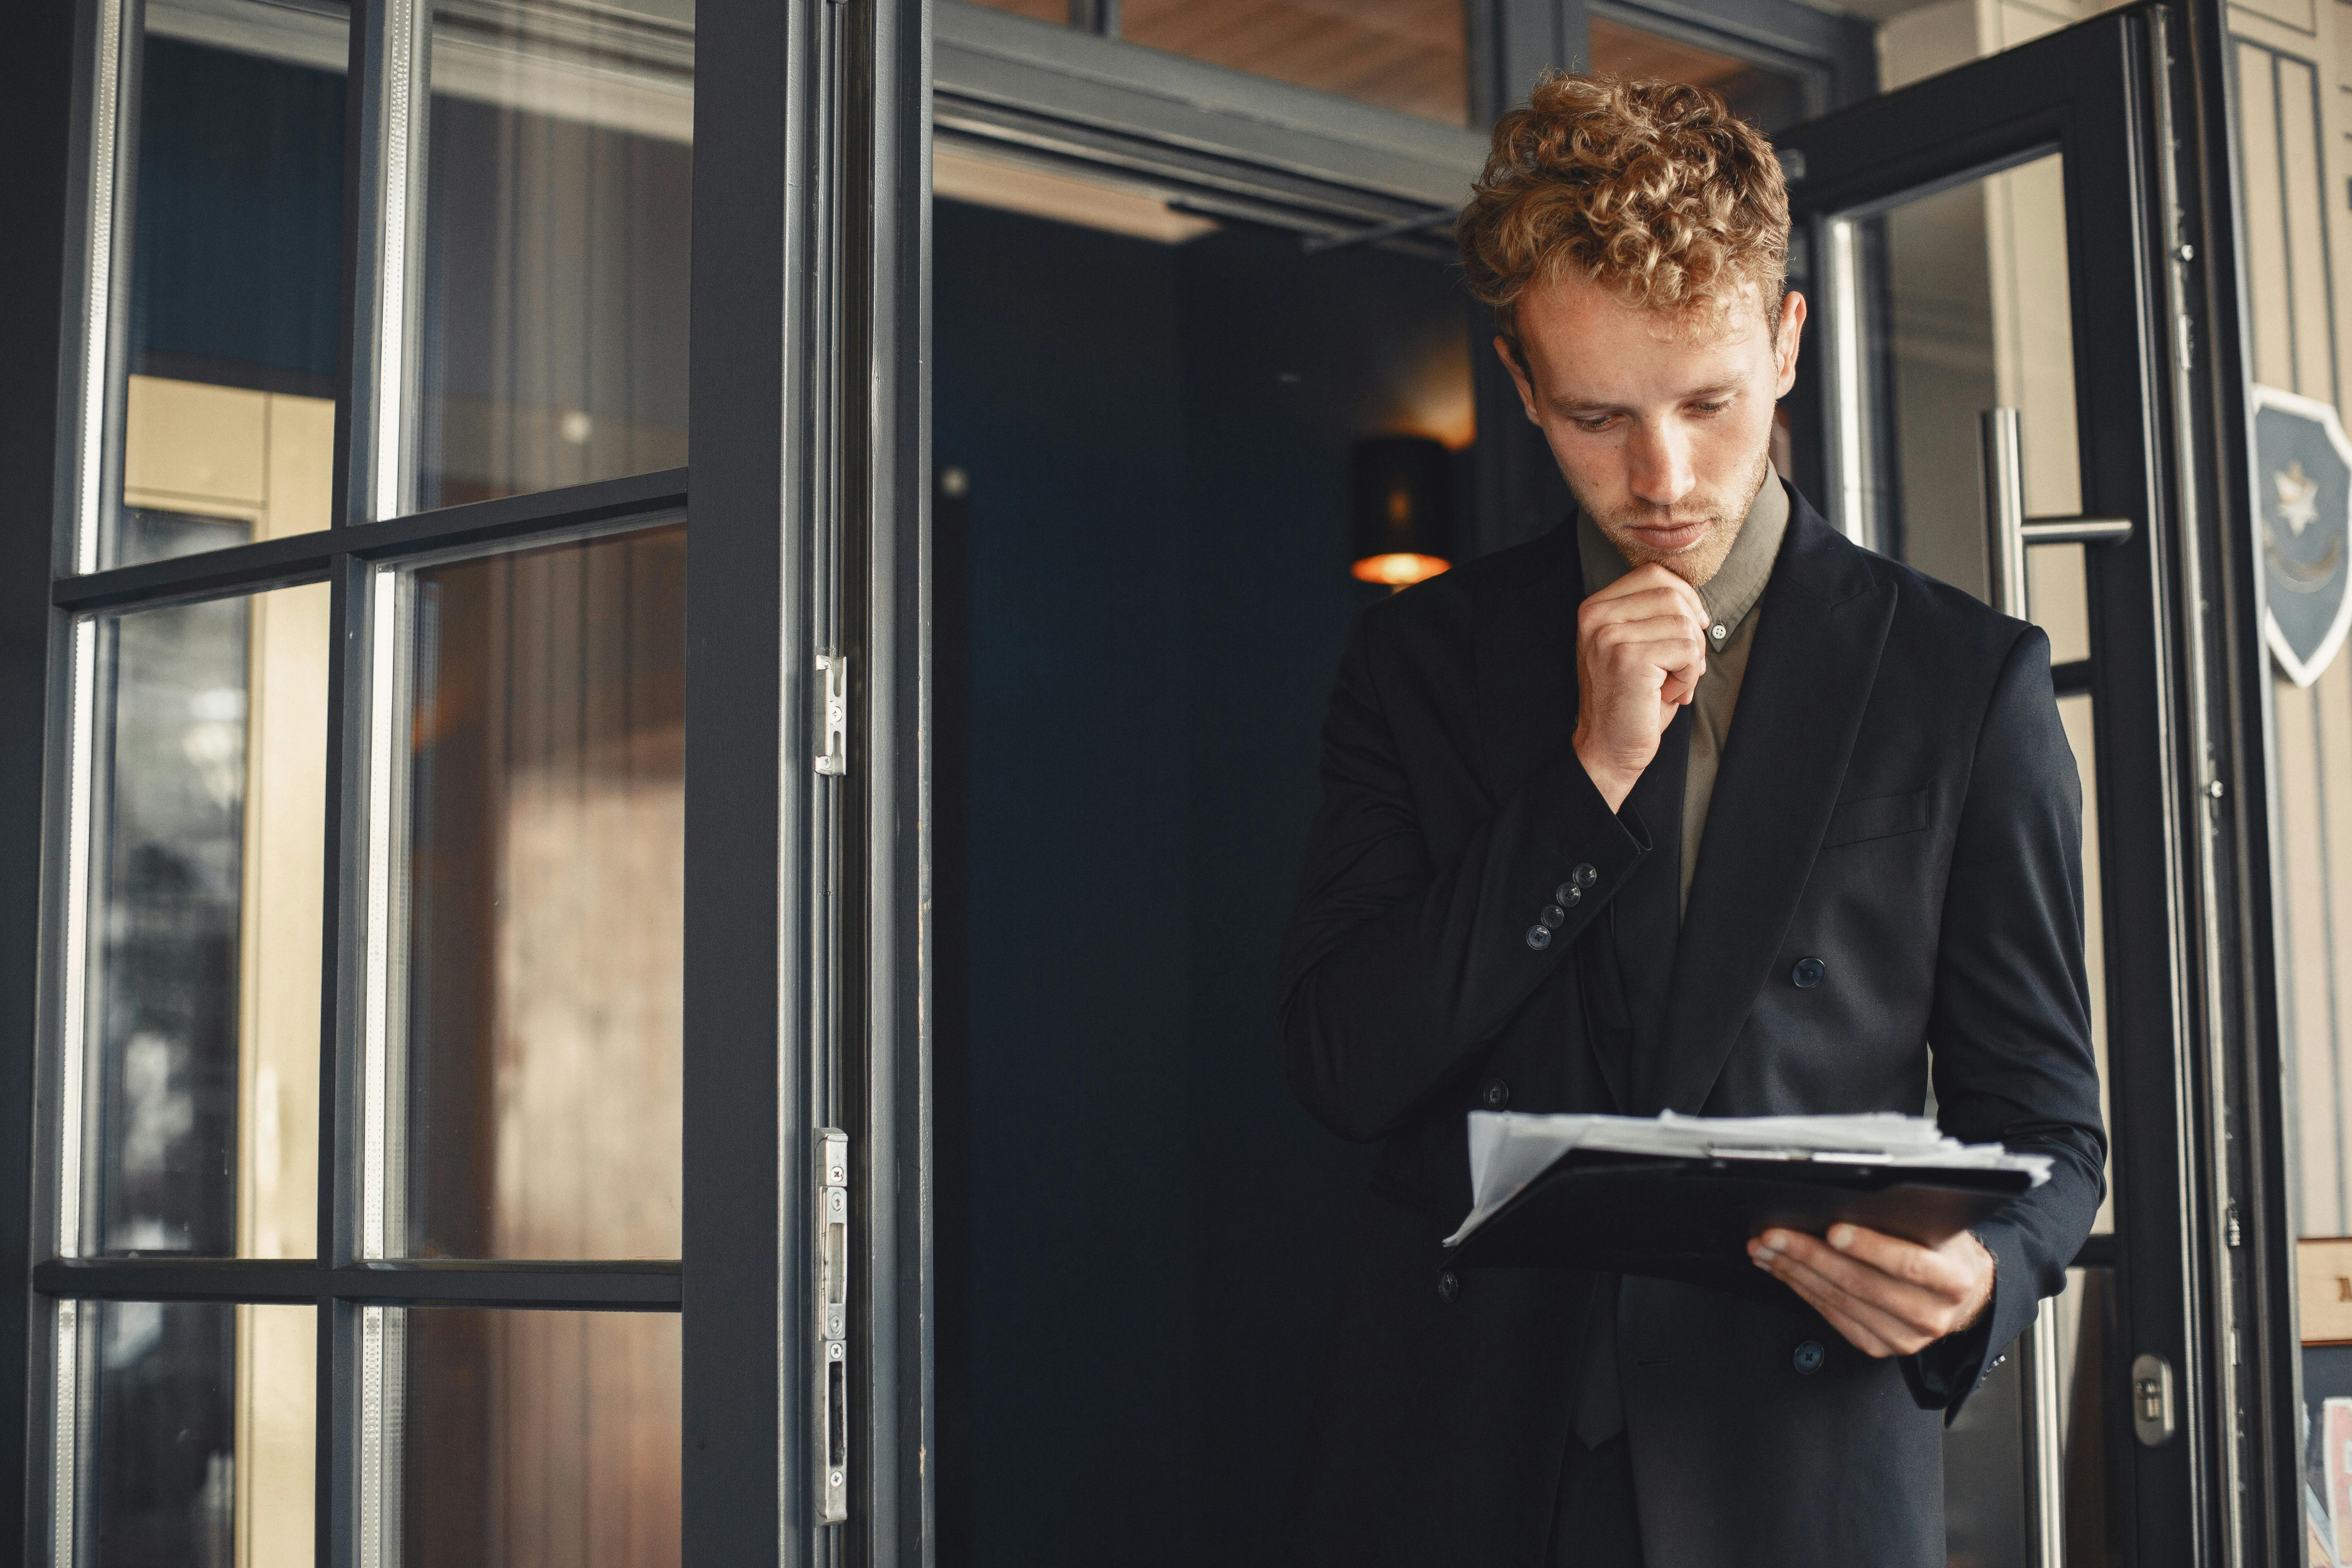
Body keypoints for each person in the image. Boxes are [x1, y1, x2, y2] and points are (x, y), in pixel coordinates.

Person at [1276, 74, 2106, 1567]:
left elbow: (2048, 1126)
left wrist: (1986, 1275)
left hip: (1792, 1474)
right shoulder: (1424, 661)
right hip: (1464, 1469)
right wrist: (1587, 777)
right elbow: (1344, 1063)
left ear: (1787, 345)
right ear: (1525, 387)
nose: (1662, 479)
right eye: (1598, 416)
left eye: (1709, 404)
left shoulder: (1963, 679)